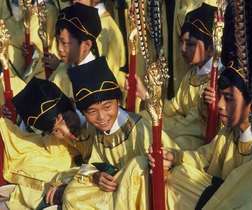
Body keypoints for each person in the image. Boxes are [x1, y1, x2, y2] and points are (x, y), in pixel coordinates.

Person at [117, 64, 252, 210]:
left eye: (228, 98)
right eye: (220, 97)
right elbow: (203, 158)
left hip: (228, 203)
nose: (219, 104)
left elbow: (237, 197)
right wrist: (175, 157)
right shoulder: (229, 133)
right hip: (215, 196)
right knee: (147, 167)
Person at [46, 57, 178, 209]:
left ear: (118, 102)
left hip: (142, 198)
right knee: (72, 194)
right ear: (83, 112)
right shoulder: (95, 132)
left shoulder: (140, 128)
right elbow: (91, 164)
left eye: (107, 107)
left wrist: (167, 161)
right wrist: (95, 176)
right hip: (112, 194)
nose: (102, 117)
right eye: (92, 111)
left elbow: (173, 157)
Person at [131, 3, 219, 149]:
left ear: (210, 49)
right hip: (182, 129)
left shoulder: (218, 80)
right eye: (181, 42)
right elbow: (174, 108)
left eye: (190, 44)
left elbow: (197, 125)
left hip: (196, 141)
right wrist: (146, 95)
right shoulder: (192, 73)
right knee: (140, 120)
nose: (183, 49)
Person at [0, 78, 85, 209]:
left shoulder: (95, 123)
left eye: (63, 120)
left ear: (72, 104)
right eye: (56, 130)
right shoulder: (53, 143)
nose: (67, 132)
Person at [48, 2, 102, 98]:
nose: (59, 49)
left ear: (86, 45)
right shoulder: (62, 70)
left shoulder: (96, 80)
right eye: (57, 41)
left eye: (65, 43)